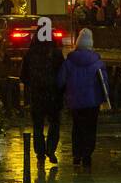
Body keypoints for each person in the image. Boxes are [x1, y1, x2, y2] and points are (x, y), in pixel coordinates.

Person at [57, 28, 110, 168]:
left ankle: (77, 155)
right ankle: (87, 154)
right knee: (91, 127)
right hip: (93, 101)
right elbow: (103, 82)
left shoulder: (69, 61)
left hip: (75, 101)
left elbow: (60, 80)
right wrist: (105, 98)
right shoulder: (97, 62)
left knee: (77, 127)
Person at [20, 30, 64, 164]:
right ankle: (51, 149)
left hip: (37, 95)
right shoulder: (56, 53)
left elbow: (23, 76)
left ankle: (40, 153)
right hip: (53, 94)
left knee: (38, 125)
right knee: (54, 123)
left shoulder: (30, 54)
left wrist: (32, 85)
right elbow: (62, 74)